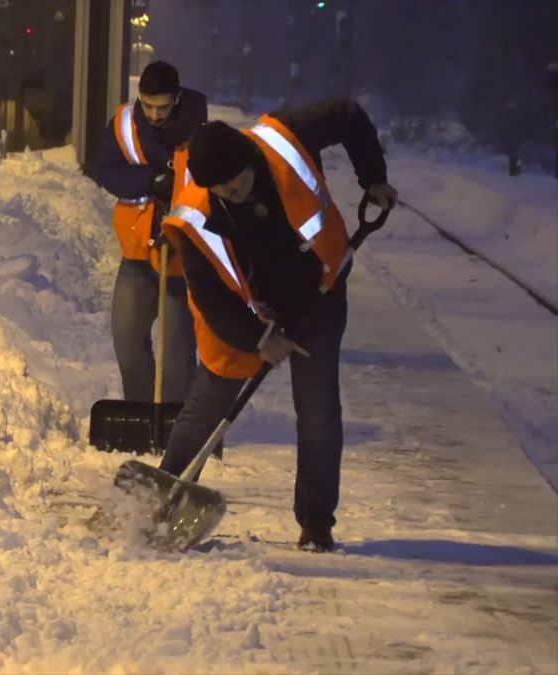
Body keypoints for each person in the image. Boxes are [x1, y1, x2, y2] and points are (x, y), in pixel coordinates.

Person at [156, 99, 398, 552]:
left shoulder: (285, 137)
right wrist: (259, 338)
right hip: (249, 311)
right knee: (209, 400)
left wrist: (374, 178)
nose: (232, 192)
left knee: (318, 407)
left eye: (236, 181)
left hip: (319, 294)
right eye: (221, 189)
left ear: (248, 160)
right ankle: (163, 497)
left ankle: (316, 520)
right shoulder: (197, 215)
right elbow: (210, 298)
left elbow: (346, 114)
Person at [96, 60, 206, 411]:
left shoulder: (201, 133)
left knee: (176, 350)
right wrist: (149, 180)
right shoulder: (125, 124)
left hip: (181, 259)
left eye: (163, 107)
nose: (155, 114)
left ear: (177, 99)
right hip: (138, 252)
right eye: (148, 105)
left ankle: (177, 419)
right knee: (127, 335)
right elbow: (106, 169)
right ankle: (141, 412)